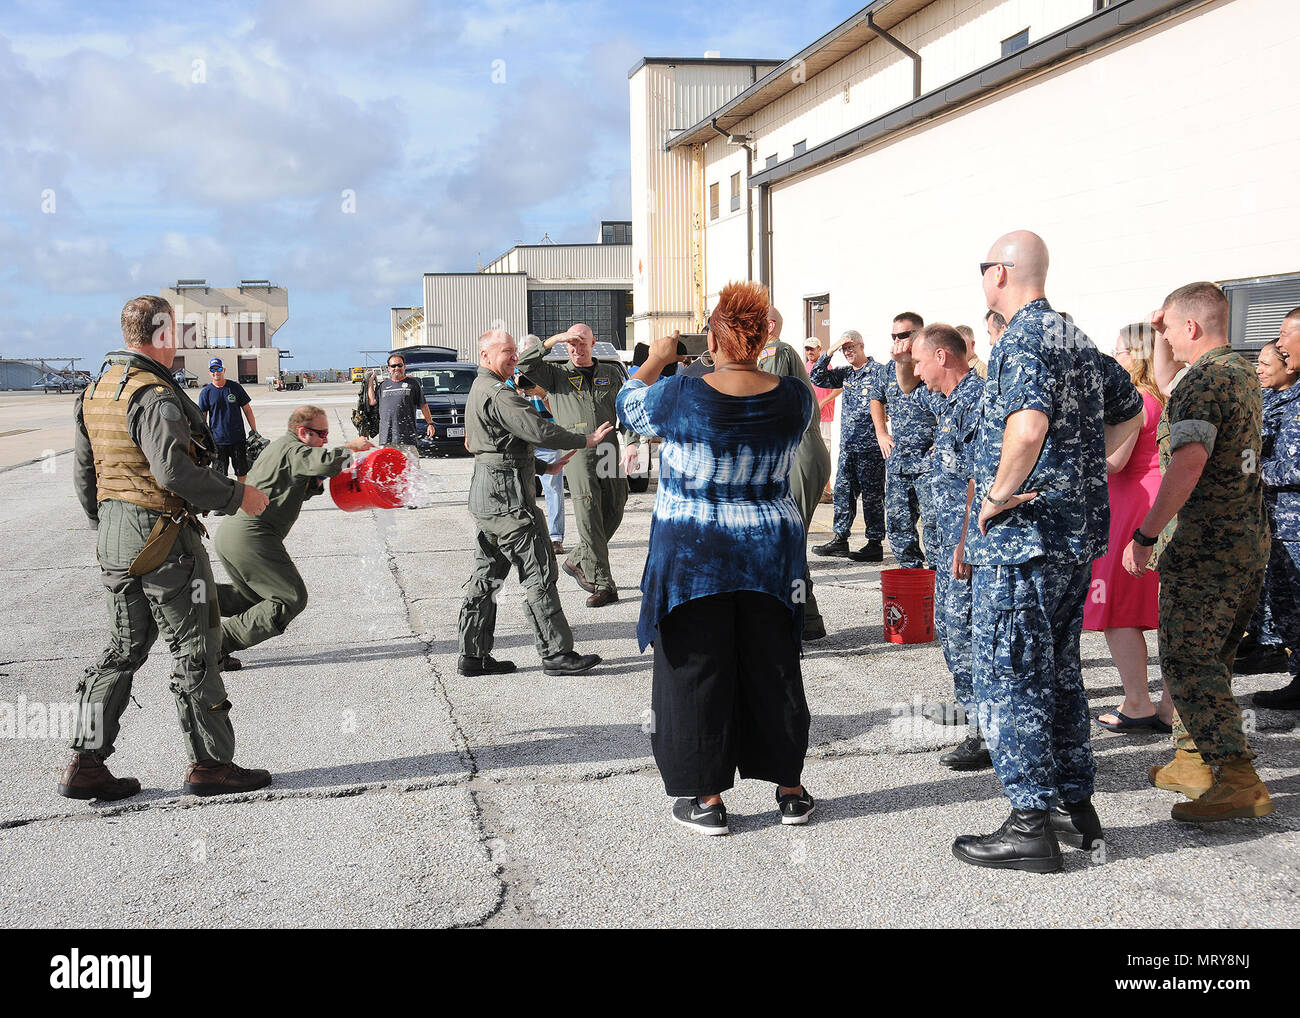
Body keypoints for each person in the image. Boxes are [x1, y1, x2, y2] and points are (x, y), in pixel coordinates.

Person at [955, 231, 1143, 872]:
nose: (982, 278)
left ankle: (1029, 821)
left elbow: (1028, 426)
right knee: (1060, 675)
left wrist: (998, 496)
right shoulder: (1074, 337)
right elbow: (1132, 412)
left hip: (1025, 543)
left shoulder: (1026, 337)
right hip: (1069, 541)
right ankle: (1072, 806)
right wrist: (1088, 466)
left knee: (1012, 676)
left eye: (984, 268)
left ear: (1002, 273)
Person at [617, 280, 815, 836]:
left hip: (694, 553)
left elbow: (628, 408)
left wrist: (654, 361)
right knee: (773, 666)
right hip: (769, 553)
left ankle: (706, 799)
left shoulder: (680, 393)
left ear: (715, 334)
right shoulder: (795, 396)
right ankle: (790, 790)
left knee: (696, 671)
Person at [62, 295, 273, 801]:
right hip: (163, 539)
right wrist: (237, 495)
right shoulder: (153, 395)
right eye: (174, 330)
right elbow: (174, 472)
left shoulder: (95, 391)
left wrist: (109, 528)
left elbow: (85, 476)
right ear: (160, 334)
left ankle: (86, 763)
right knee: (195, 646)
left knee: (123, 649)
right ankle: (210, 766)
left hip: (116, 539)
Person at [1123, 282, 1273, 823]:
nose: (1161, 336)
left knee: (1189, 664)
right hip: (1245, 543)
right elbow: (1168, 380)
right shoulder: (1236, 372)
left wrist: (1145, 534)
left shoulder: (1204, 380)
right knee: (1214, 659)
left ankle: (1238, 780)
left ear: (1190, 328)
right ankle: (1192, 760)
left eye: (1167, 330)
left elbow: (1187, 461)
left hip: (1205, 547)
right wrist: (1159, 331)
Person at [458, 328, 608, 676]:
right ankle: (556, 653)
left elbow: (494, 444)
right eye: (506, 352)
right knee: (539, 571)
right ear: (485, 356)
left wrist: (543, 465)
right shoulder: (499, 395)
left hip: (488, 496)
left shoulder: (480, 389)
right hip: (509, 500)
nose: (512, 357)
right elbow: (537, 430)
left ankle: (473, 654)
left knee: (487, 575)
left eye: (514, 351)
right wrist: (584, 439)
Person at [214, 406, 374, 665]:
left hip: (233, 535)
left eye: (327, 434)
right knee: (290, 598)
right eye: (321, 434)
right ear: (302, 432)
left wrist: (316, 482)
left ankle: (191, 599)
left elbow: (288, 484)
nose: (324, 440)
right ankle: (213, 646)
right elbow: (326, 460)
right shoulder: (294, 449)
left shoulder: (281, 448)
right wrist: (351, 448)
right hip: (253, 536)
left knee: (254, 598)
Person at [901, 324, 990, 770]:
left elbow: (979, 476)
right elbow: (905, 386)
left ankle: (985, 732)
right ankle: (969, 710)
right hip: (944, 542)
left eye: (919, 361)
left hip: (964, 543)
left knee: (967, 632)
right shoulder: (951, 400)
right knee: (952, 631)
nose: (915, 371)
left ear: (941, 357)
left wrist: (964, 542)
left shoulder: (977, 400)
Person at [1085, 323, 1173, 733]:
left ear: (1136, 354)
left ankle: (1138, 701)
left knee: (1118, 609)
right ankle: (1170, 706)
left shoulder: (1133, 398)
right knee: (1164, 607)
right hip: (1156, 497)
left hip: (1131, 502)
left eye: (1120, 351)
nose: (1114, 357)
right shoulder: (1163, 394)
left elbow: (1115, 461)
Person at [516, 324, 628, 608]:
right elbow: (525, 362)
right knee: (589, 512)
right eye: (572, 344)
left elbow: (627, 406)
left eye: (582, 343)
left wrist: (635, 441)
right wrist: (553, 340)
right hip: (578, 451)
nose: (578, 349)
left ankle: (578, 558)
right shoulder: (556, 375)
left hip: (608, 448)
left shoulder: (611, 373)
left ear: (594, 343)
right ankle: (604, 583)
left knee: (615, 506)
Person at [757, 308, 832, 639]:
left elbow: (765, 397)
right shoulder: (776, 351)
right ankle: (807, 617)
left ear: (769, 326)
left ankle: (802, 616)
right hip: (796, 453)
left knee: (788, 541)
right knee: (787, 539)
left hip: (799, 454)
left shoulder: (776, 350)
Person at [1237, 341, 1297, 676]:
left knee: (1286, 587)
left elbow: (1285, 461)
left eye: (1264, 363)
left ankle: (1273, 644)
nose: (1258, 369)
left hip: (1287, 514)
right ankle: (1262, 636)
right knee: (1263, 580)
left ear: (1288, 366)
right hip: (1263, 509)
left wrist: (1256, 471)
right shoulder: (1265, 398)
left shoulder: (1291, 402)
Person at [1252, 314, 1300, 708]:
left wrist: (1251, 470)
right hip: (1277, 521)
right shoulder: (1271, 398)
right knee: (1285, 605)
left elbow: (1295, 465)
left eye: (1286, 334)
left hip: (1295, 522)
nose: (1280, 343)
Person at [810, 330, 886, 561]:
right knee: (843, 493)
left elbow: (890, 397)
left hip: (871, 448)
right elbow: (817, 377)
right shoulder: (845, 374)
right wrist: (831, 350)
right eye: (845, 349)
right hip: (849, 446)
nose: (848, 352)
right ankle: (840, 539)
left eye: (852, 347)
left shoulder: (879, 372)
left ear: (862, 346)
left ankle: (874, 544)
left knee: (872, 497)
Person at [870, 313, 937, 569]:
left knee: (933, 524)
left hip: (928, 461)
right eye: (894, 336)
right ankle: (911, 575)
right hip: (899, 459)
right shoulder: (889, 368)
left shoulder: (929, 364)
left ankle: (936, 576)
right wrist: (881, 432)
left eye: (904, 335)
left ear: (919, 334)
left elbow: (949, 399)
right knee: (899, 524)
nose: (898, 340)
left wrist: (942, 437)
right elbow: (876, 397)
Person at [517, 335, 565, 555]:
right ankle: (524, 535)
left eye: (532, 353)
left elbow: (560, 412)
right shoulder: (512, 378)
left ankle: (555, 538)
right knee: (519, 490)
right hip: (522, 440)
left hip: (547, 438)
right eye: (525, 354)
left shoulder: (549, 377)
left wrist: (542, 393)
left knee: (553, 489)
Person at [367, 352, 435, 462]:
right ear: (389, 368)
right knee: (388, 473)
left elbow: (423, 404)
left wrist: (430, 423)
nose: (396, 368)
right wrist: (370, 382)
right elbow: (372, 401)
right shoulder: (383, 386)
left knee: (412, 472)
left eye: (400, 365)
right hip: (386, 438)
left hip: (408, 438)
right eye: (393, 366)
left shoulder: (413, 384)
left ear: (404, 366)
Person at [199, 357, 257, 481]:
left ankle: (241, 496)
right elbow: (202, 417)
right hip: (218, 441)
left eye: (219, 369)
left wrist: (254, 430)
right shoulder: (206, 392)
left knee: (241, 471)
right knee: (219, 475)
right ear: (209, 372)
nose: (216, 372)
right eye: (213, 370)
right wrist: (203, 437)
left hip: (238, 439)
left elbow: (247, 410)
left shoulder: (235, 387)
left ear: (223, 370)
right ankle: (224, 499)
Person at [805, 337, 840, 502]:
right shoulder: (807, 366)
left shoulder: (827, 366)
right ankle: (821, 489)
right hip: (811, 415)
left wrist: (822, 403)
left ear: (820, 349)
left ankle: (827, 490)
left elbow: (838, 388)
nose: (809, 352)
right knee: (812, 452)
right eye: (807, 349)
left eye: (812, 349)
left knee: (824, 452)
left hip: (824, 416)